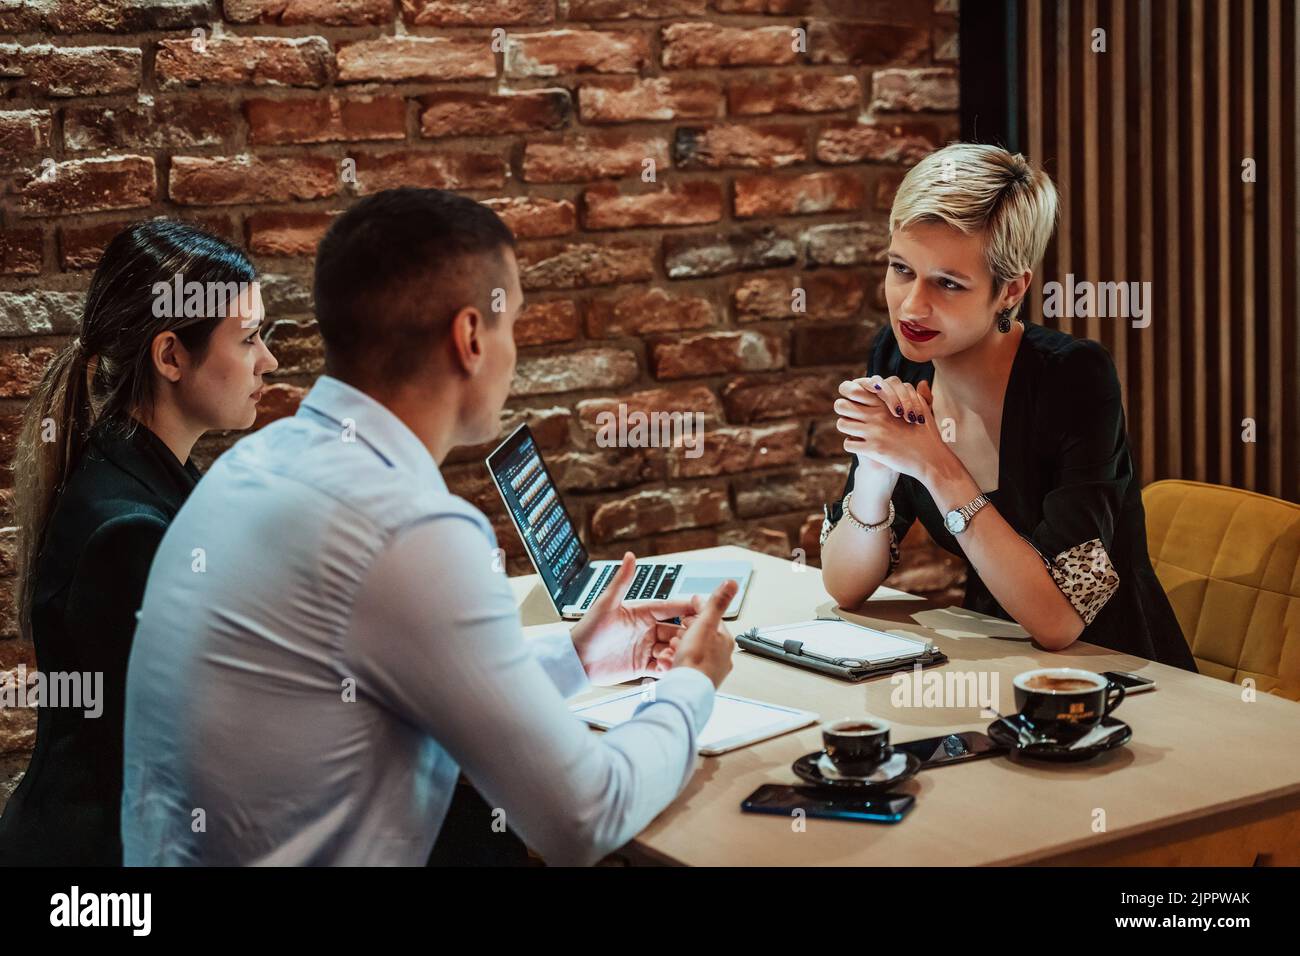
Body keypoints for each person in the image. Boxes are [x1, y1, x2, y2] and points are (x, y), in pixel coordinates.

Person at [120, 187, 738, 867]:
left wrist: (580, 657)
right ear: (471, 337)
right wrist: (692, 684)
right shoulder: (408, 529)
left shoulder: (255, 464)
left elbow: (393, 678)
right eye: (513, 326)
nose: (515, 352)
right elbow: (582, 819)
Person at [819, 143, 1195, 671]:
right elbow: (844, 586)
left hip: (1115, 674)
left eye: (948, 283)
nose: (912, 306)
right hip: (988, 660)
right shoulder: (898, 355)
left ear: (1010, 290)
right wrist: (876, 473)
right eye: (902, 269)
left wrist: (932, 463)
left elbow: (1060, 622)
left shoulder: (1074, 380)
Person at [0, 220, 278, 866]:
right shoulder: (128, 531)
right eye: (249, 338)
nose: (268, 360)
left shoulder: (153, 470)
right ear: (171, 357)